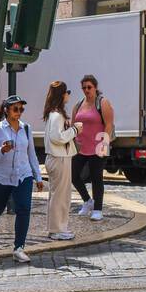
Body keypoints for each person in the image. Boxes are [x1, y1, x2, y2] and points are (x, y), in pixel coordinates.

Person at [0, 96, 44, 264]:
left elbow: (31, 154)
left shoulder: (26, 129)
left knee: (23, 209)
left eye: (21, 109)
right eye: (16, 109)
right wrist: (2, 150)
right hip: (1, 177)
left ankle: (19, 248)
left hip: (23, 175)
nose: (19, 112)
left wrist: (38, 176)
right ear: (7, 110)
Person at [71, 74, 115, 222]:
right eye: (84, 87)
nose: (86, 90)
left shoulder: (102, 102)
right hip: (81, 146)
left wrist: (104, 143)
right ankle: (88, 201)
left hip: (98, 145)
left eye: (89, 87)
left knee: (97, 178)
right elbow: (73, 125)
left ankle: (98, 210)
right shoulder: (78, 105)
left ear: (95, 87)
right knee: (74, 176)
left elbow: (109, 124)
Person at [43, 81, 80, 241]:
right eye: (67, 91)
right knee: (61, 195)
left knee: (57, 194)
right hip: (60, 158)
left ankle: (57, 228)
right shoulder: (57, 115)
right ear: (61, 94)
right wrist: (75, 130)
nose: (68, 95)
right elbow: (57, 137)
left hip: (58, 157)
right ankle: (58, 229)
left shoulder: (54, 114)